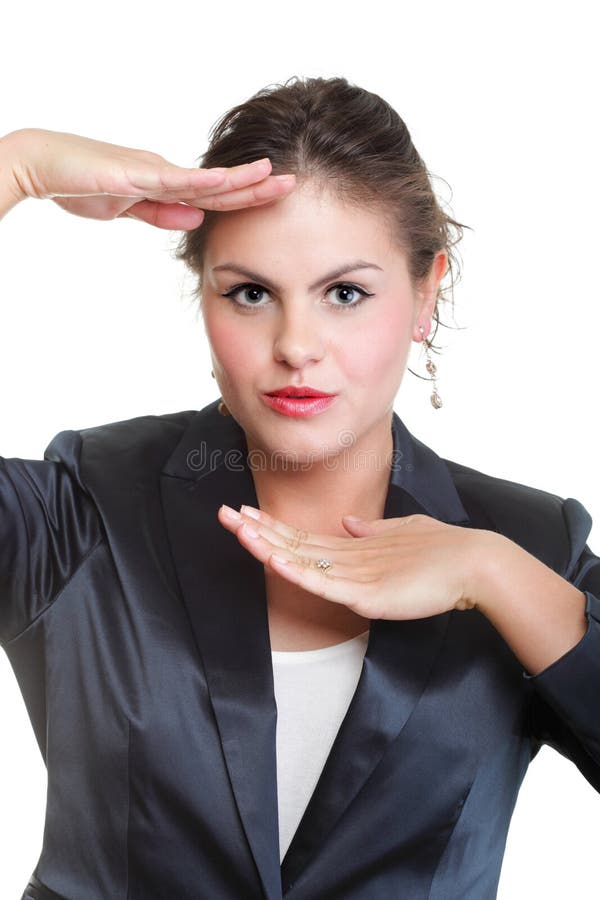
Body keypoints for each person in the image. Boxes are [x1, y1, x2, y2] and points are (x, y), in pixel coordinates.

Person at [1, 75, 599, 900]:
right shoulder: (85, 507)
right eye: (251, 293)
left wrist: (495, 574)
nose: (296, 346)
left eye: (345, 293)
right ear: (203, 294)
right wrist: (17, 168)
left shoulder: (530, 544)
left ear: (427, 291)